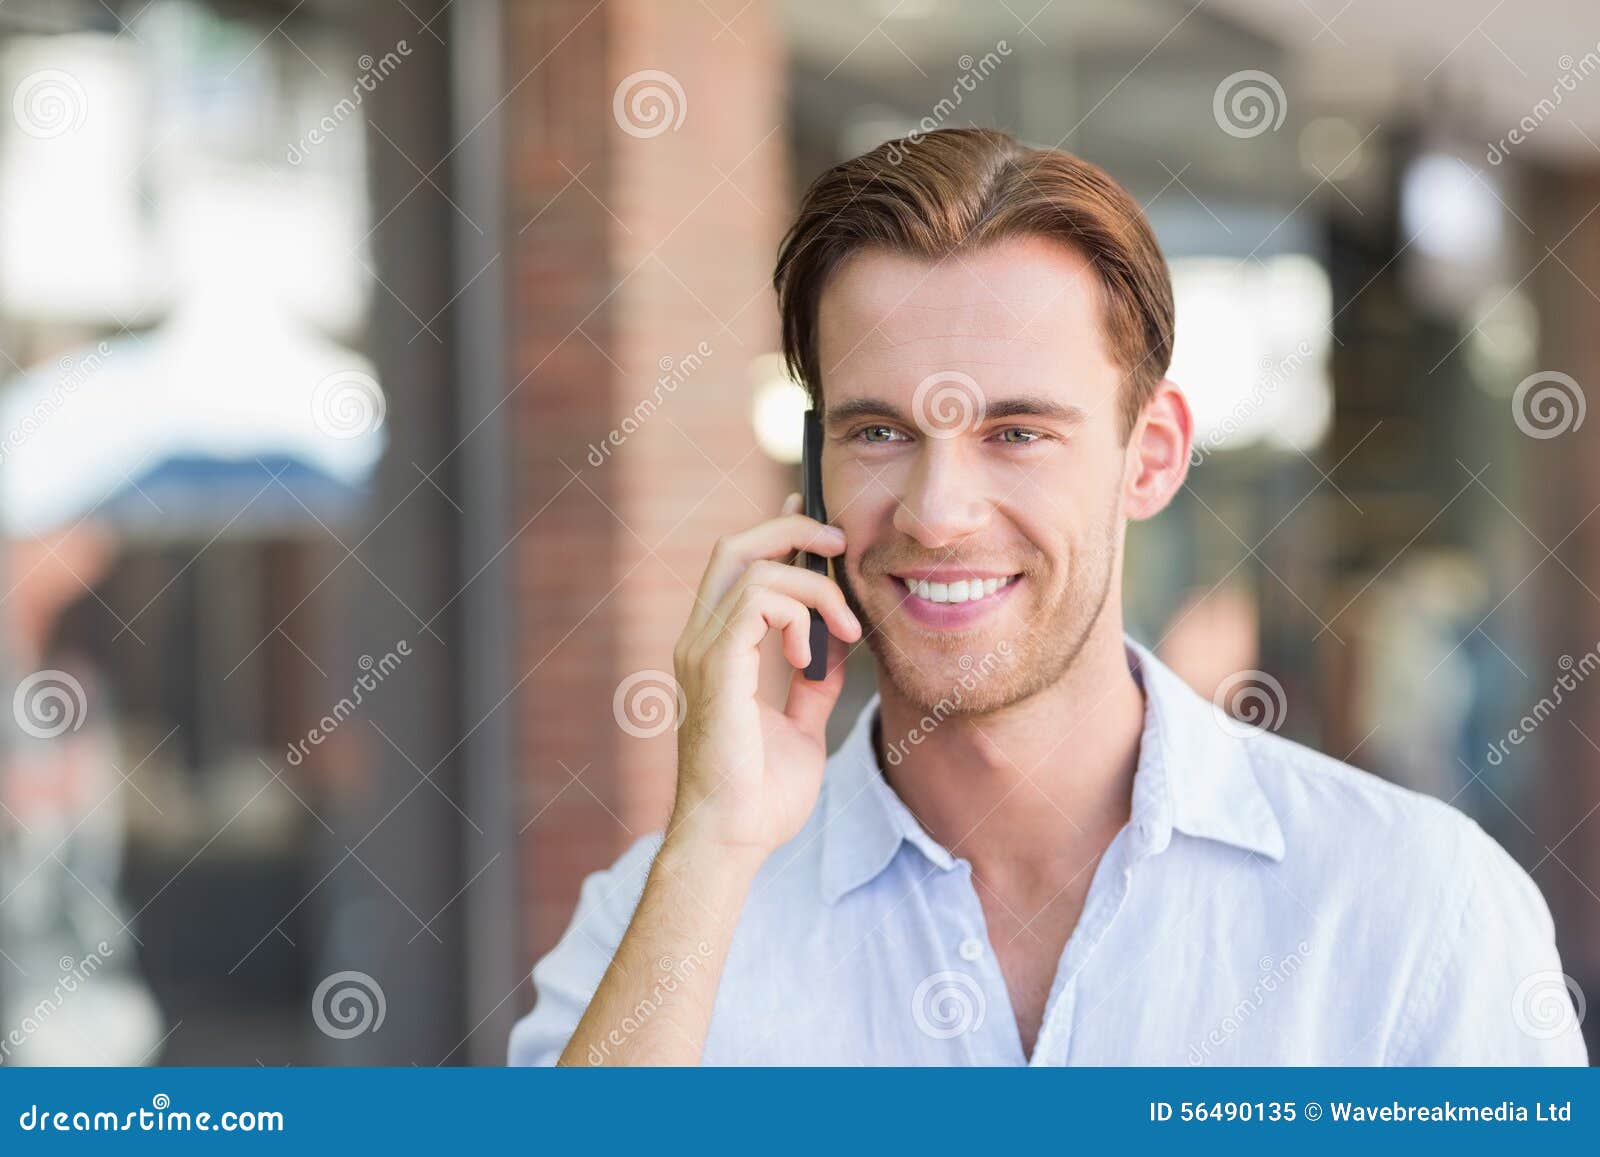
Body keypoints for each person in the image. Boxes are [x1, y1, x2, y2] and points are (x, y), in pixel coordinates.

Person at [507, 127, 1588, 1066]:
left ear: (1150, 456)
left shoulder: (1416, 908)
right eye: (877, 431)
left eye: (1015, 432)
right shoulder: (665, 916)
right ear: (814, 461)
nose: (937, 512)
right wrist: (711, 846)